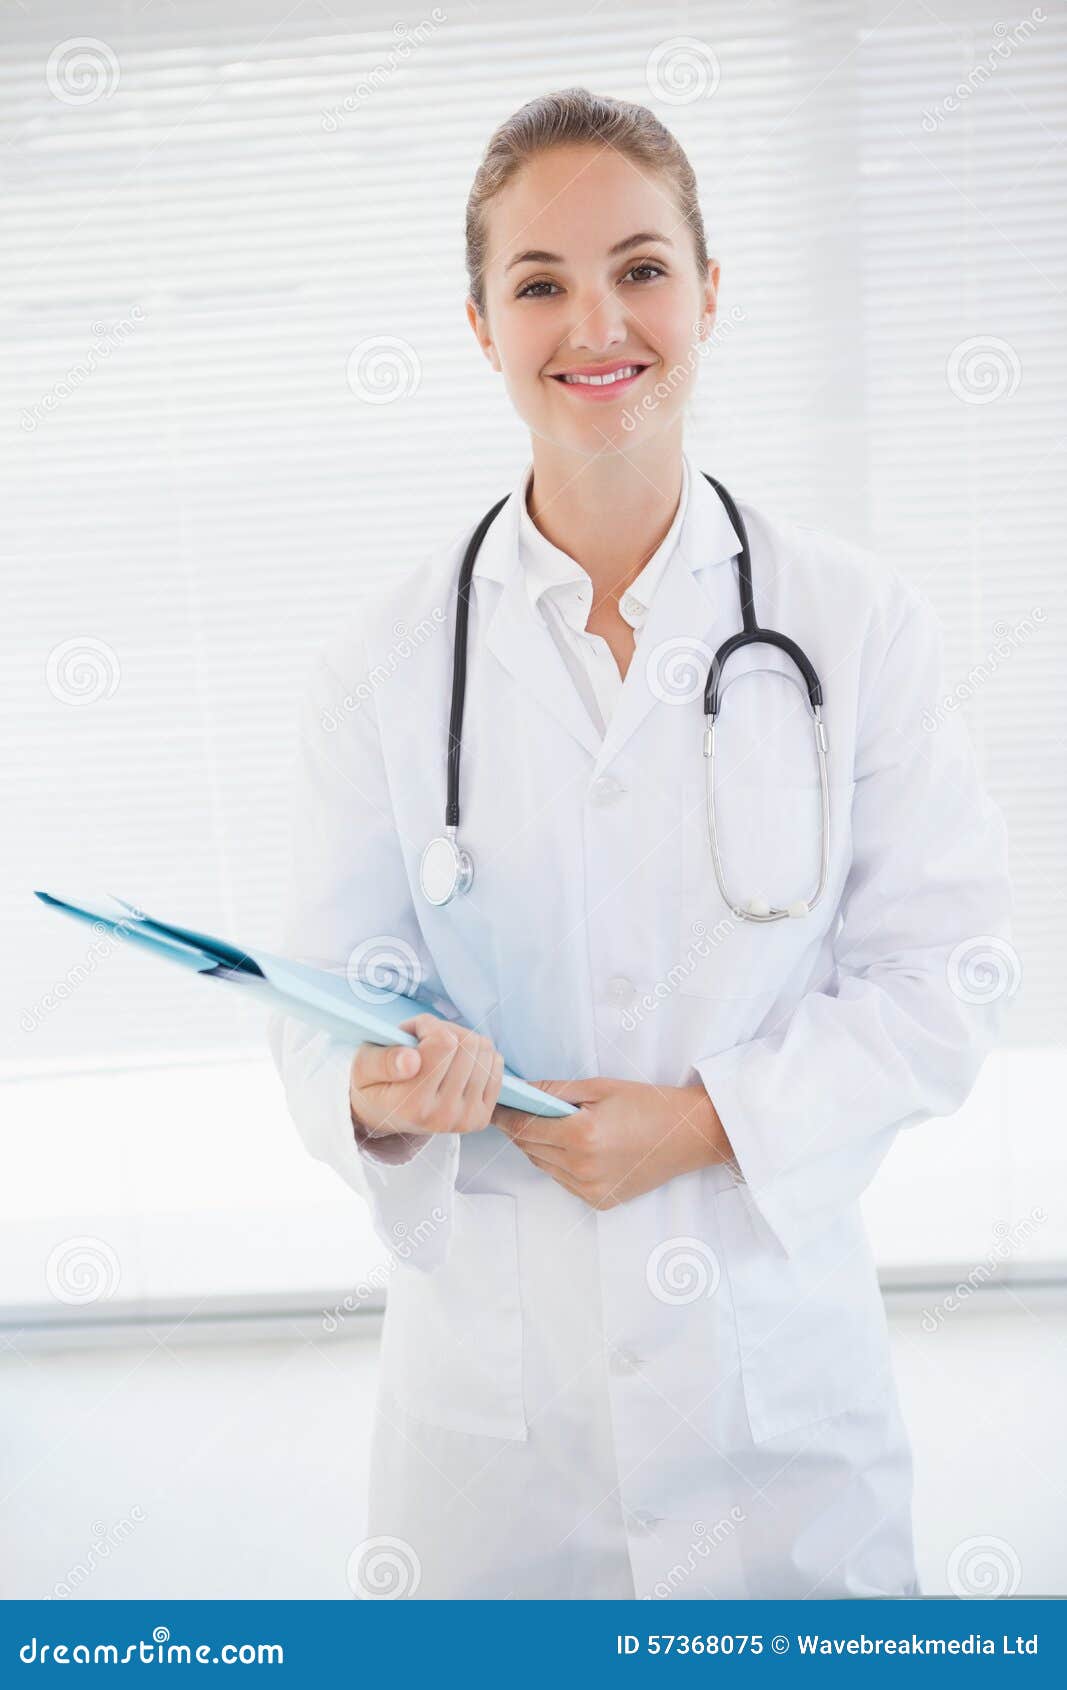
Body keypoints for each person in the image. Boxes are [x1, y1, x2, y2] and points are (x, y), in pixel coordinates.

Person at [268, 87, 1012, 1600]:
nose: (594, 319)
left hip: (780, 1423)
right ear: (479, 324)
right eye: (537, 282)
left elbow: (945, 978)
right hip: (495, 1446)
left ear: (711, 291)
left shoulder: (856, 624)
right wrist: (389, 1086)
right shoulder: (383, 659)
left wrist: (701, 1122)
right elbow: (323, 993)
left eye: (641, 266)